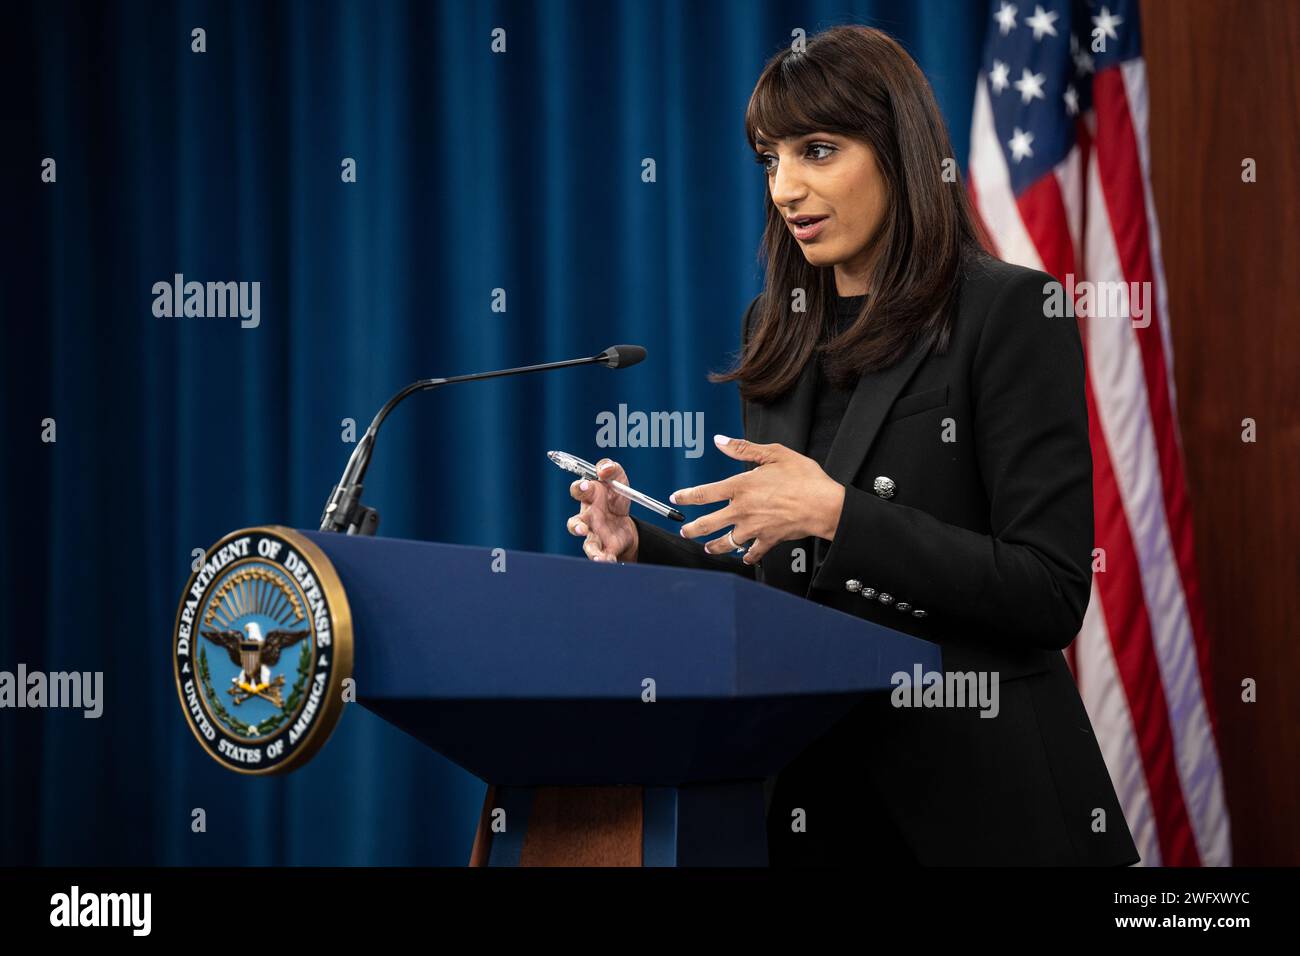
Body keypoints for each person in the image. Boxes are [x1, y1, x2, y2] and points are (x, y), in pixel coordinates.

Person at [565, 24, 1139, 867]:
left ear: (900, 151)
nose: (785, 188)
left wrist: (839, 514)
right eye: (770, 160)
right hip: (815, 806)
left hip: (984, 814)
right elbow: (786, 593)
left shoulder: (1009, 313)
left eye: (818, 151)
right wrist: (640, 545)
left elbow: (1048, 592)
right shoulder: (774, 329)